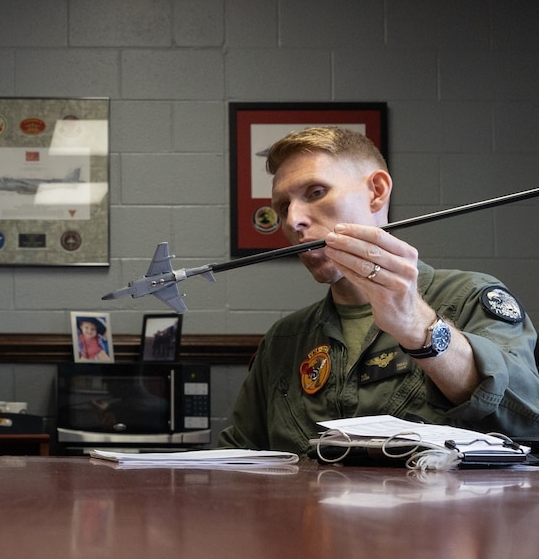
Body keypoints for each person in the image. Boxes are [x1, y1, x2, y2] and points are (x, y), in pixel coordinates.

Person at [218, 126, 539, 453]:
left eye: (315, 192)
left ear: (377, 191)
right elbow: (235, 455)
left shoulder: (470, 297)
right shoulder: (284, 339)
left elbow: (527, 415)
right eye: (283, 207)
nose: (293, 221)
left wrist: (417, 324)